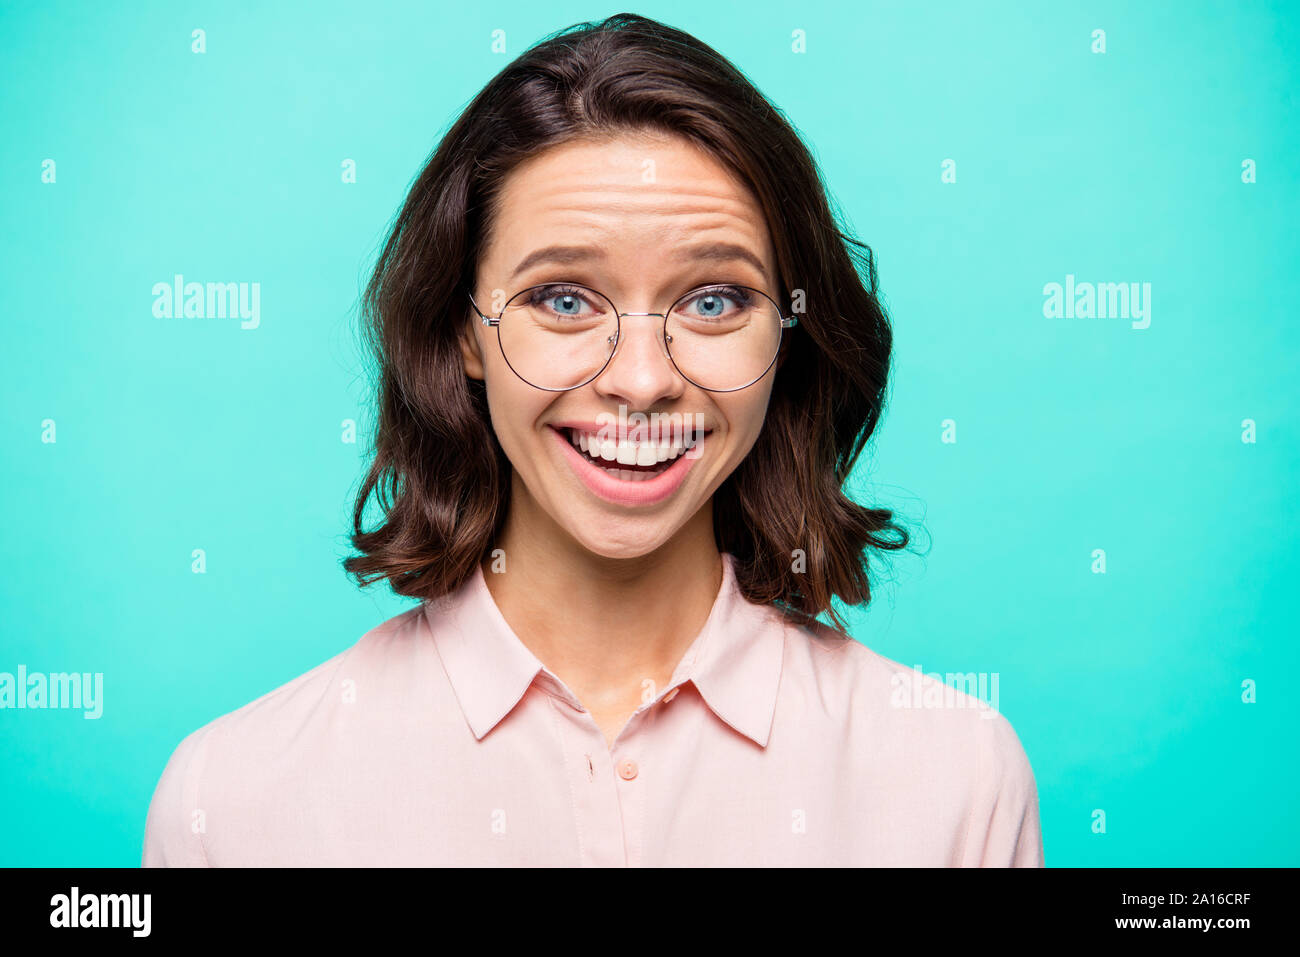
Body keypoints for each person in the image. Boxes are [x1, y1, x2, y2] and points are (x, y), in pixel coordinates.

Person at [142, 12, 1043, 867]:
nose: (643, 380)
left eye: (713, 301)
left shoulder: (957, 778)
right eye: (564, 300)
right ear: (463, 331)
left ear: (787, 334)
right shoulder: (237, 799)